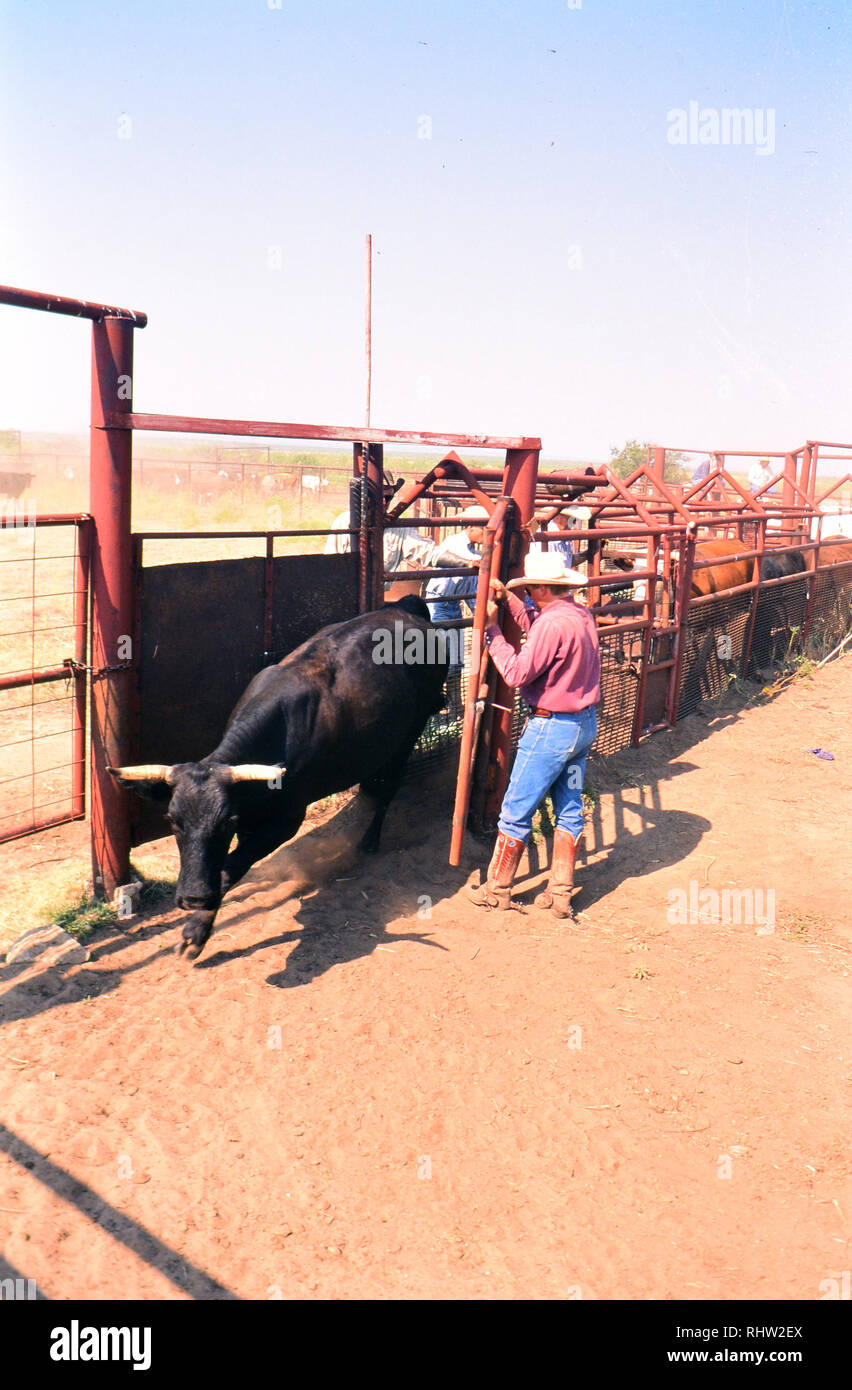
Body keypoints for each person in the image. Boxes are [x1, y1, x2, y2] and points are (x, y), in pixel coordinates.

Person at [473, 551, 601, 918]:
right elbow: (539, 625)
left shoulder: (549, 625)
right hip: (582, 728)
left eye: (530, 590)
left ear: (543, 588)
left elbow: (515, 673)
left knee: (516, 810)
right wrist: (511, 601)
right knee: (570, 806)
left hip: (550, 730)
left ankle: (496, 889)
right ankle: (560, 894)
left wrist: (491, 631)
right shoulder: (579, 614)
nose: (528, 594)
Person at [424, 505, 488, 715]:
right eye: (483, 528)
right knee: (443, 659)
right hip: (439, 602)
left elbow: (471, 586)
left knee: (456, 660)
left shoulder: (471, 551)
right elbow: (469, 567)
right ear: (471, 526)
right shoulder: (456, 544)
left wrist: (478, 612)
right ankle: (440, 704)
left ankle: (454, 706)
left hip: (452, 604)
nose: (486, 532)